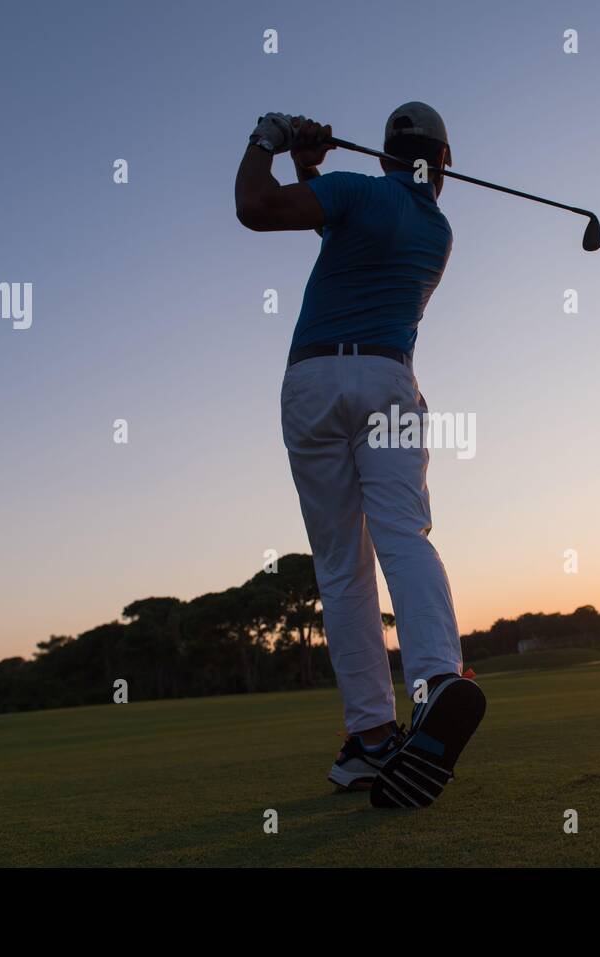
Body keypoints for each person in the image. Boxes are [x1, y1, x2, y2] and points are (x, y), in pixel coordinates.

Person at [234, 103, 485, 808]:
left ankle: (372, 736)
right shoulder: (437, 229)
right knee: (404, 534)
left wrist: (271, 140)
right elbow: (337, 218)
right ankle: (438, 682)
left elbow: (255, 207)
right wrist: (309, 165)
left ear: (382, 157)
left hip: (313, 381)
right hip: (388, 380)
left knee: (343, 564)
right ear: (444, 165)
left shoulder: (353, 190)